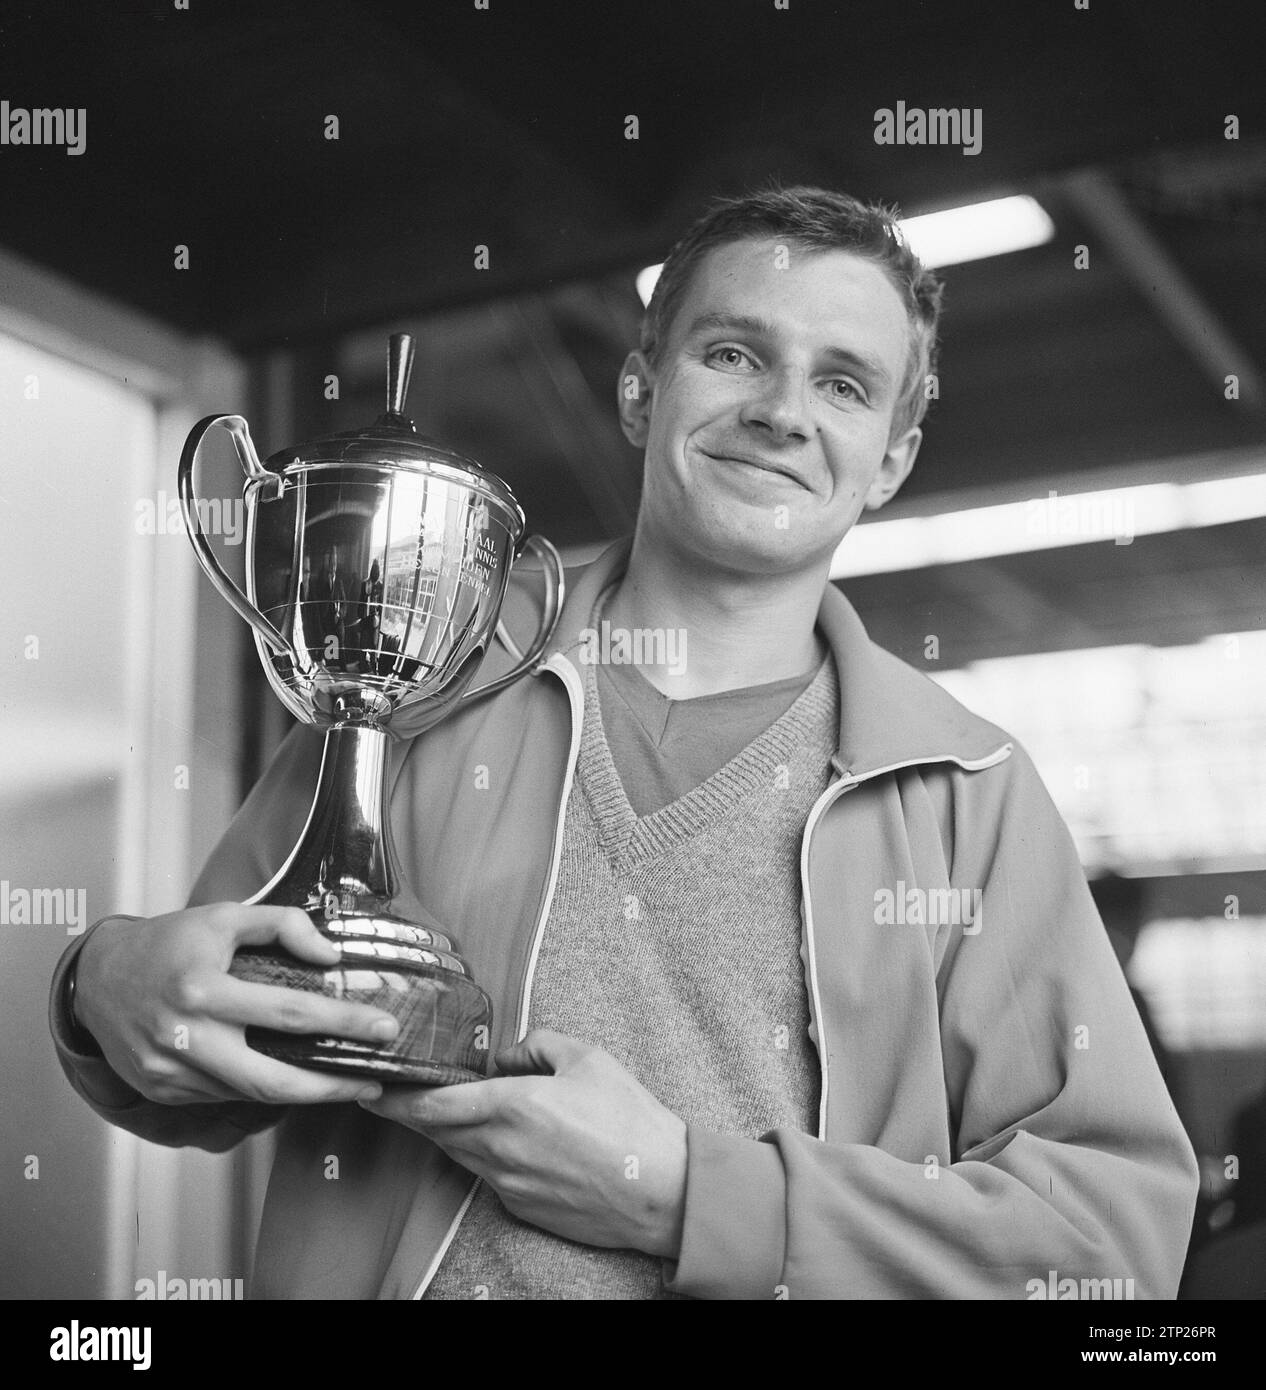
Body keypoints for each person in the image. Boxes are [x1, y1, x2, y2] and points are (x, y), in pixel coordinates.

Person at [51, 186, 1198, 1299]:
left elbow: (1105, 1243)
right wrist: (99, 986)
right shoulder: (433, 664)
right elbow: (205, 1045)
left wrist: (687, 1196)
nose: (782, 411)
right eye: (735, 354)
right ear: (642, 393)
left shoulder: (969, 794)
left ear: (889, 462)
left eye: (843, 384)